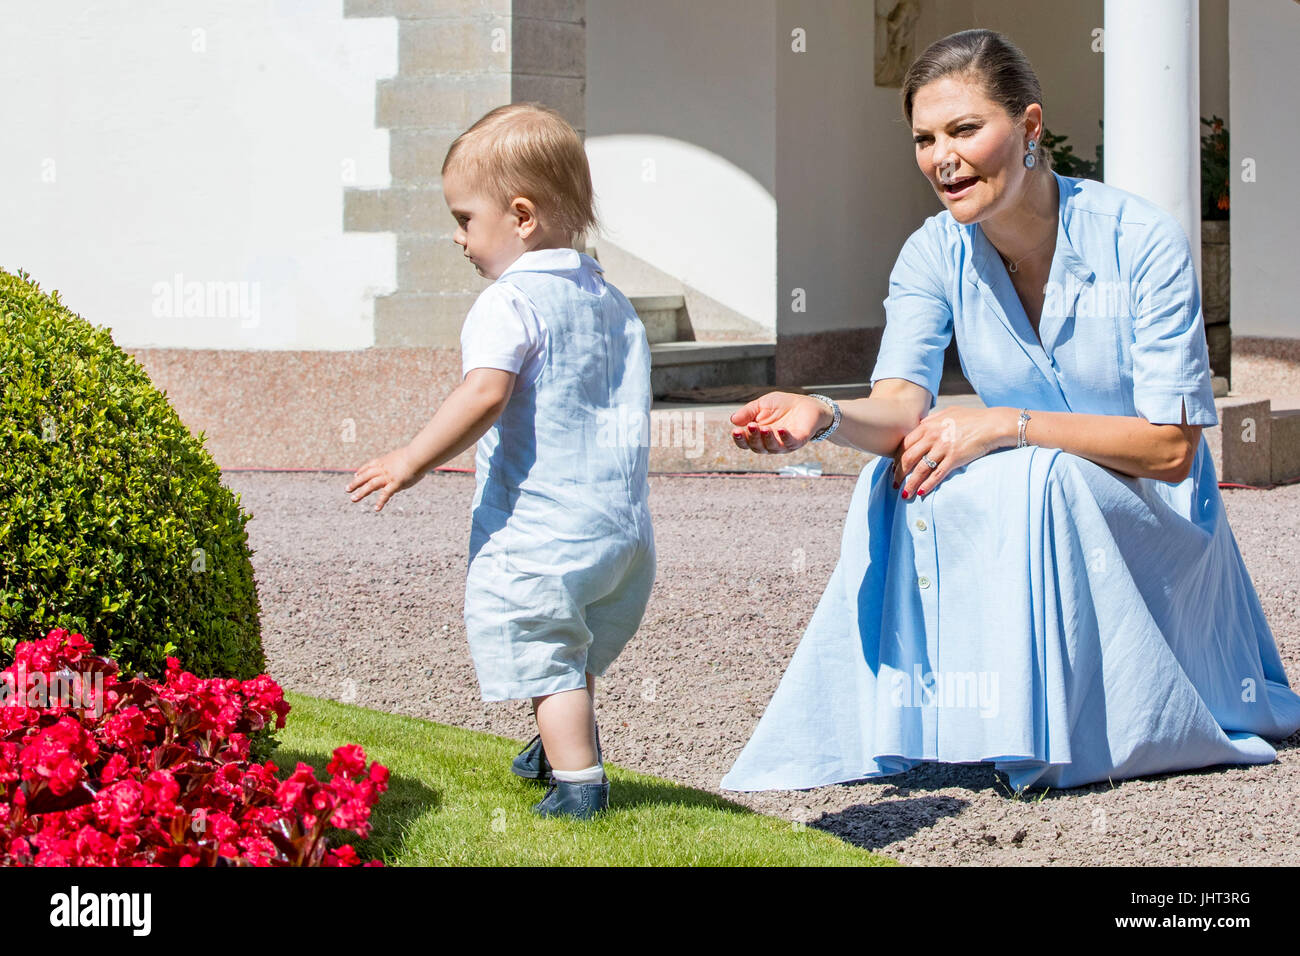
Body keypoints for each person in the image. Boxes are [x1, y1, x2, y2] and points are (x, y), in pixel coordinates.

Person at [721, 29, 1300, 793]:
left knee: (1040, 478)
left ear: (1029, 129)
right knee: (900, 481)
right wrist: (823, 413)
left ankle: (1071, 726)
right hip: (1045, 489)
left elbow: (1172, 451)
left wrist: (1004, 425)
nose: (942, 157)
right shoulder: (932, 253)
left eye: (965, 130)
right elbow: (900, 404)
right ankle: (926, 718)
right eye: (926, 138)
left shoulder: (1142, 242)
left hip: (1157, 517)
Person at [347, 103, 656, 819]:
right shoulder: (611, 302)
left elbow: (486, 392)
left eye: (464, 218)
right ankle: (553, 746)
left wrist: (411, 459)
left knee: (548, 653)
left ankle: (579, 785)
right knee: (571, 641)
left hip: (541, 526)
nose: (458, 239)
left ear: (521, 216)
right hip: (621, 527)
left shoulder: (508, 300)